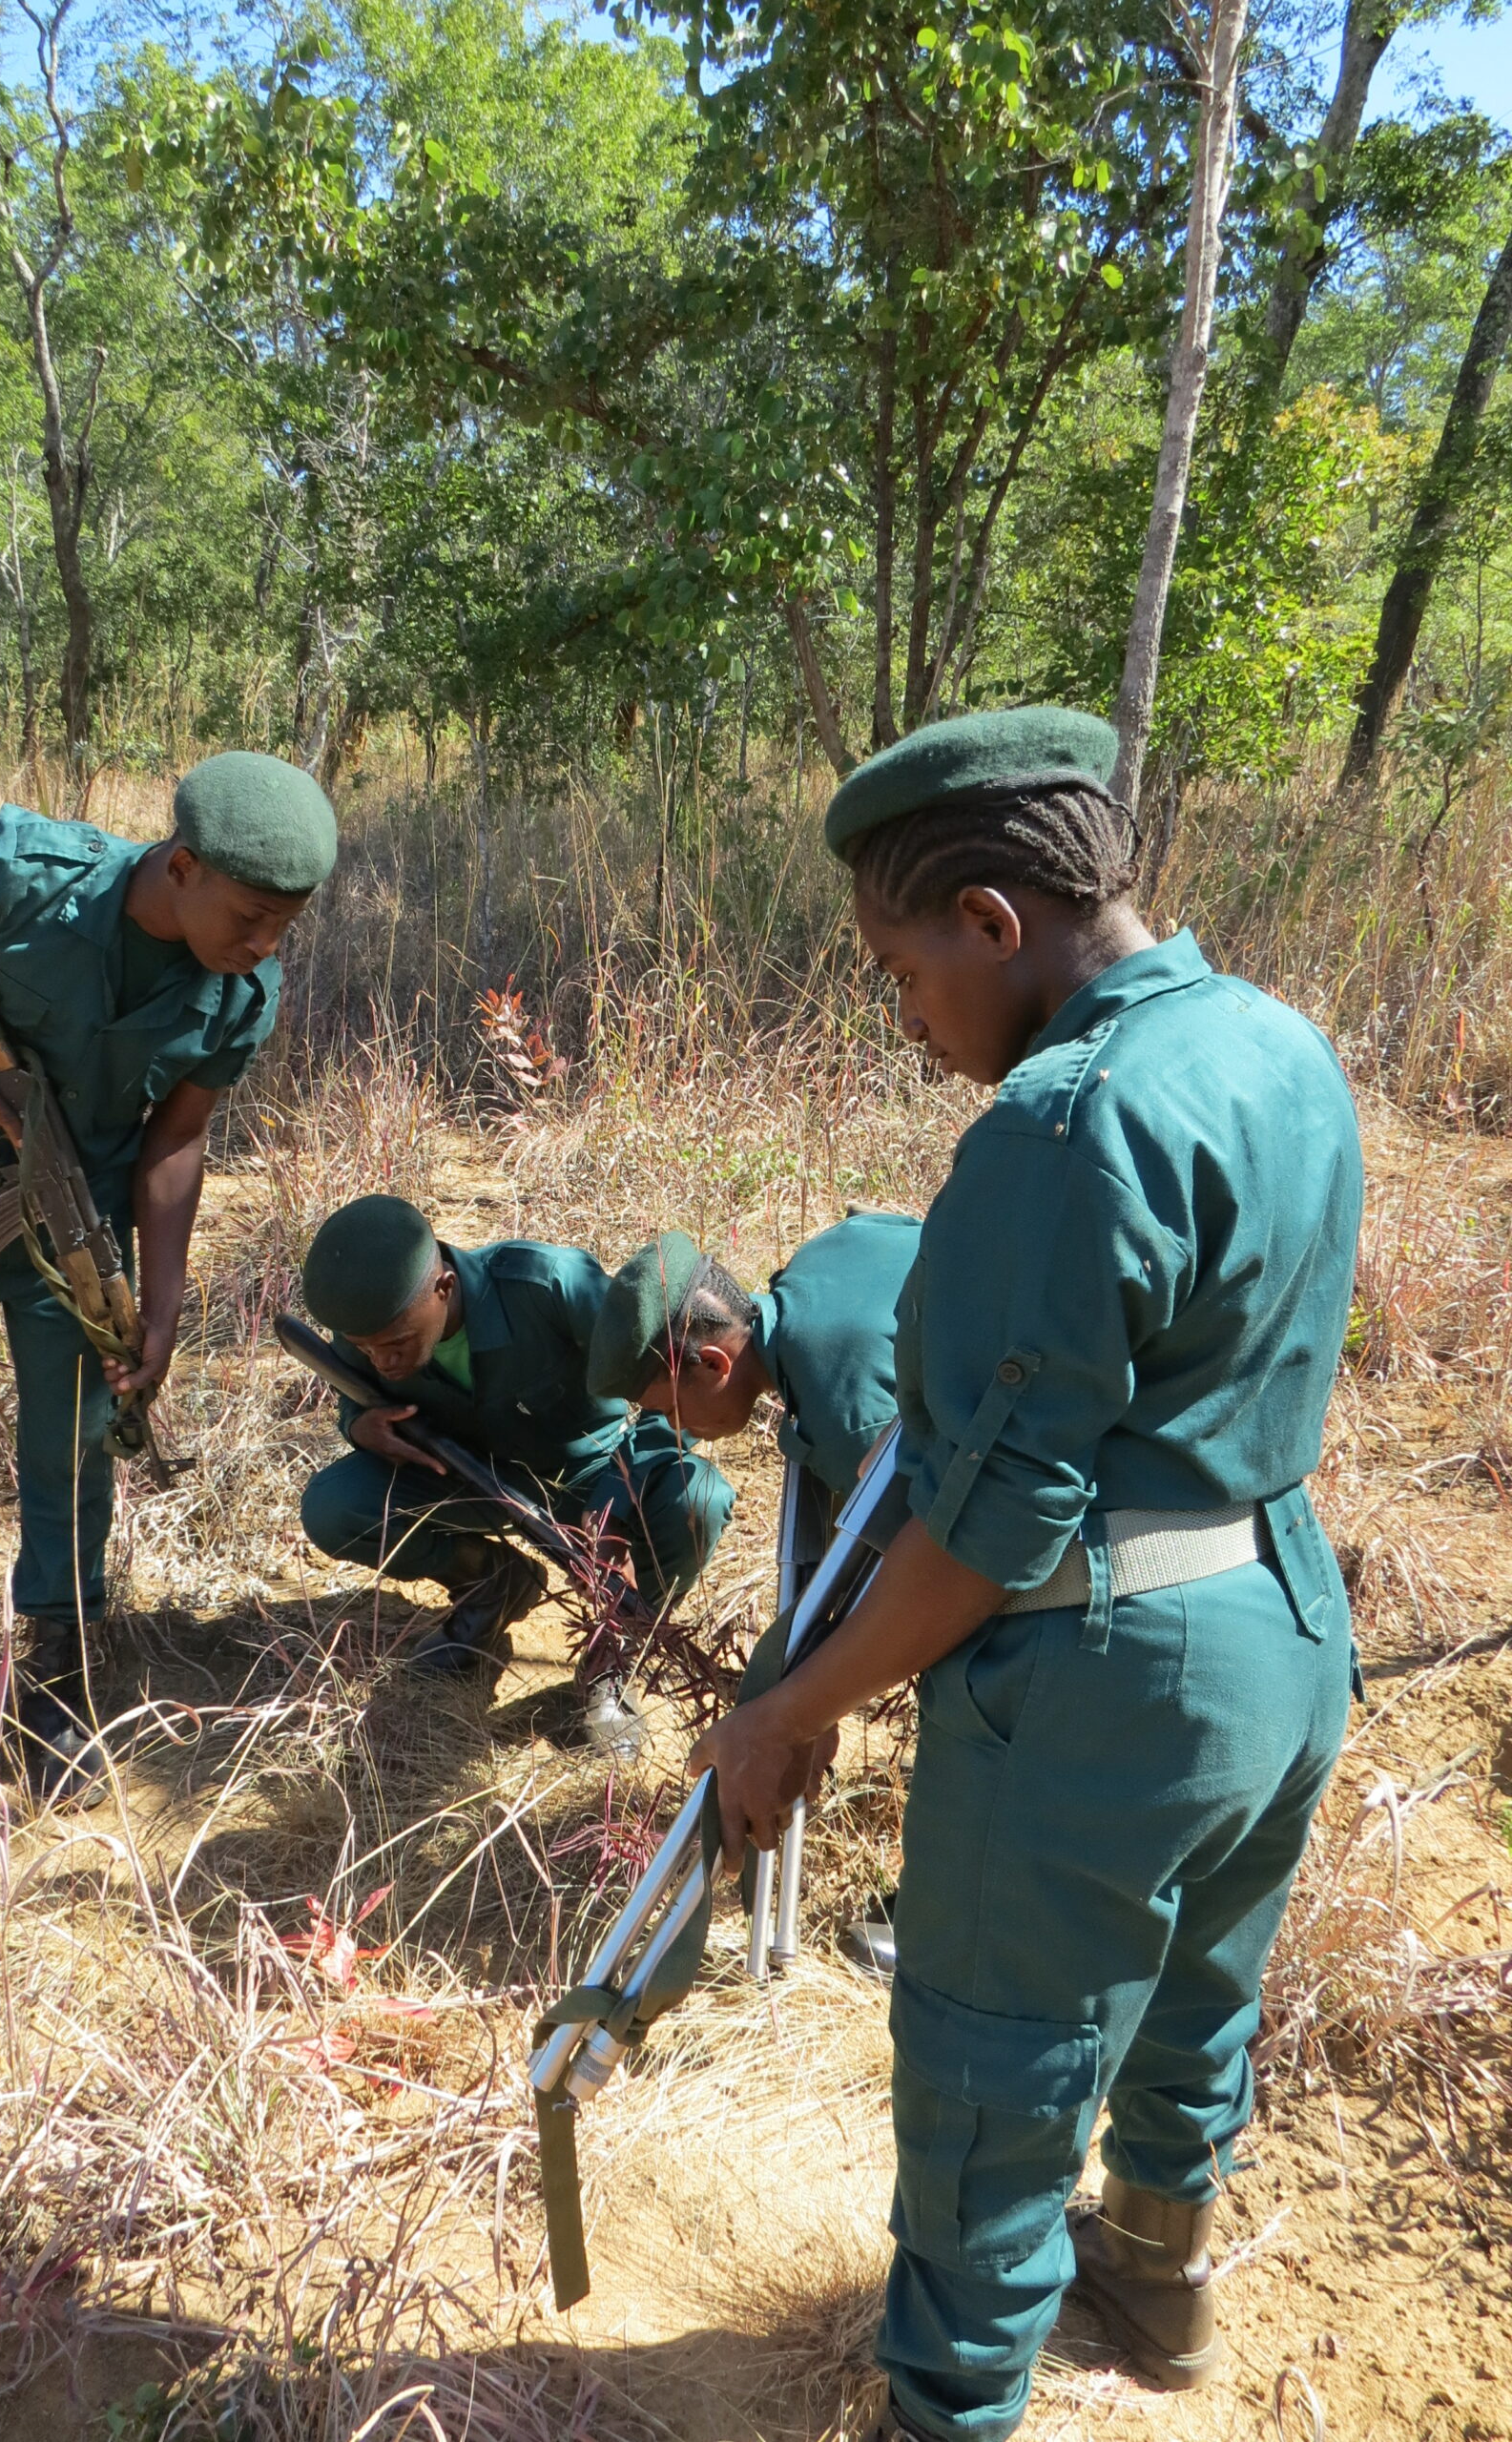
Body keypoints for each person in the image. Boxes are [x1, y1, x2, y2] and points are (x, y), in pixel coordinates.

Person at [685, 706, 1362, 2435]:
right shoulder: (1281, 1045)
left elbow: (987, 1531)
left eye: (902, 972)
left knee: (995, 2078)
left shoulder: (1059, 1128)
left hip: (1106, 1690)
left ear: (993, 921)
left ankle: (949, 2408)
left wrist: (788, 1710)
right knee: (1197, 2003)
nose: (910, 1024)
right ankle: (1154, 2281)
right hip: (1284, 1631)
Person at [0, 751, 338, 1802]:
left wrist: (163, 1298)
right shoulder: (17, 866)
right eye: (254, 916)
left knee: (74, 1457)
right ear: (182, 867)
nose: (266, 946)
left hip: (73, 1237)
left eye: (287, 926)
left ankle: (57, 1683)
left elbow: (178, 1139)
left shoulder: (239, 996)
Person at [586, 1211, 922, 1972]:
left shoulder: (843, 1408)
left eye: (670, 1408)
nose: (681, 1432)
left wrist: (807, 1708)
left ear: (713, 1362)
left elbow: (926, 1582)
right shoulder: (821, 1260)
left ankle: (950, 1909)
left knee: (973, 1682)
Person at [298, 1195, 734, 1751]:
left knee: (695, 1497)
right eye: (365, 1349)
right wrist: (362, 1427)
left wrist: (616, 1509)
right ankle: (491, 1586)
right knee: (334, 1506)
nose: (382, 1362)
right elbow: (353, 1397)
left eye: (396, 1345)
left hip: (590, 1478)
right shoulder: (372, 1317)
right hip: (463, 1477)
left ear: (445, 1287)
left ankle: (613, 1651)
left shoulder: (547, 1287)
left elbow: (672, 1390)